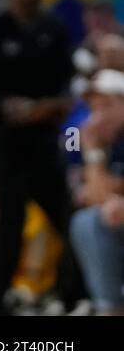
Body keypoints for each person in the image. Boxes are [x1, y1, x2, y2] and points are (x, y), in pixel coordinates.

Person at [0, 0, 84, 315]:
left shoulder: (53, 28)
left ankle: (70, 295)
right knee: (9, 227)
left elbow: (67, 78)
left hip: (46, 142)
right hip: (7, 146)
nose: (29, 5)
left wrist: (54, 105)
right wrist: (4, 105)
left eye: (35, 0)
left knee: (68, 218)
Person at [68, 68, 124, 313]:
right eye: (94, 108)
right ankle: (109, 306)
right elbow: (93, 197)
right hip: (114, 216)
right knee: (85, 220)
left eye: (108, 105)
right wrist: (92, 150)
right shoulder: (102, 142)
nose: (99, 116)